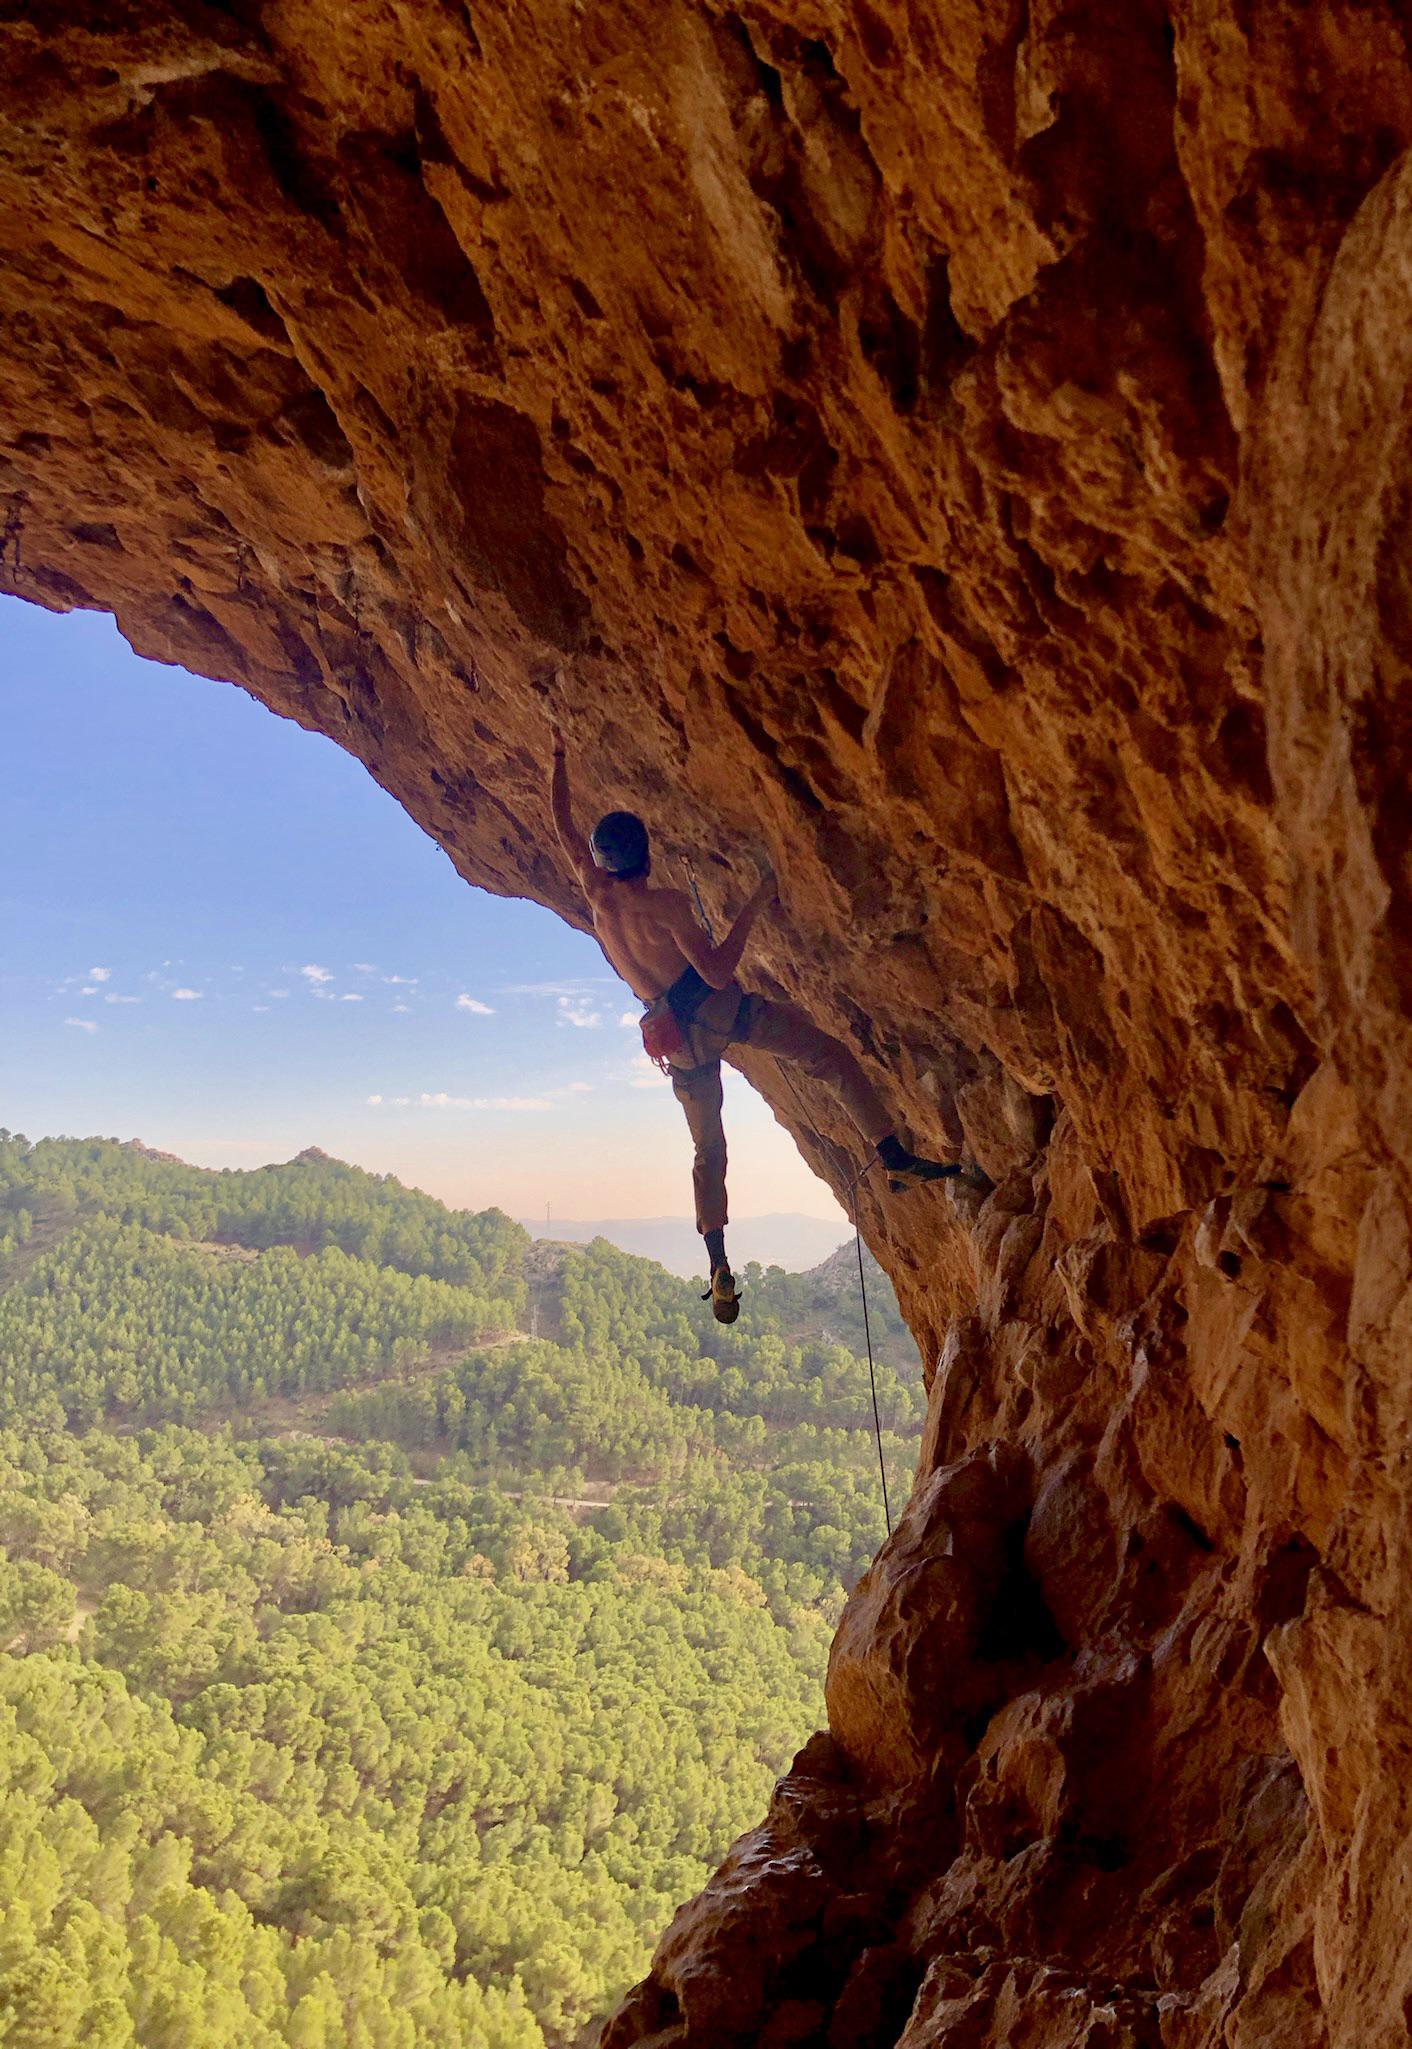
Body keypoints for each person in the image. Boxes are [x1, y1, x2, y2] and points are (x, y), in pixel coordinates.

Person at [549, 725, 961, 1322]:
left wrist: (559, 754)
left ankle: (718, 1259)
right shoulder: (665, 906)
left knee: (708, 1148)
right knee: (826, 1058)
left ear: (601, 861)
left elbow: (561, 823)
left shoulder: (596, 896)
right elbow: (717, 972)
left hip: (674, 1038)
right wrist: (755, 903)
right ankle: (893, 1154)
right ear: (646, 854)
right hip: (719, 1011)